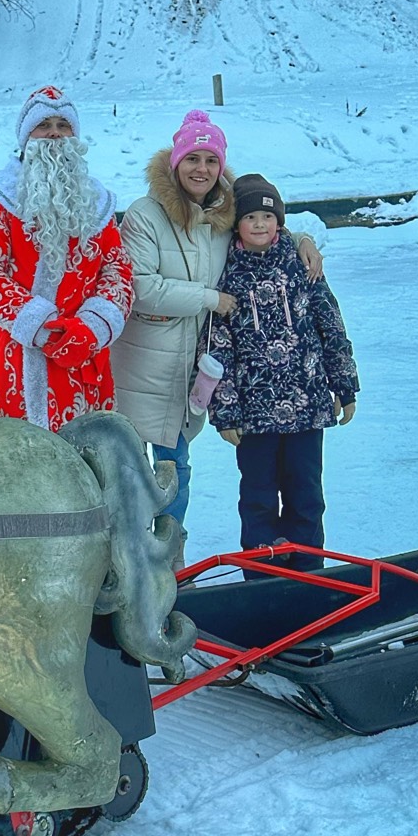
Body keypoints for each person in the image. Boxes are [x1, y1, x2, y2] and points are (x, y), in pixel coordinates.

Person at [111, 115, 325, 545]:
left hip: (194, 366)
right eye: (192, 158)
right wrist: (212, 299)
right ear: (175, 163)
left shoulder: (222, 215)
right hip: (146, 365)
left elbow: (260, 231)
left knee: (177, 467)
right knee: (133, 471)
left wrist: (300, 238)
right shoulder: (144, 216)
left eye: (211, 160)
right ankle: (130, 560)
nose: (201, 169)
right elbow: (140, 287)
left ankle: (170, 559)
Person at [0, 86, 132, 430]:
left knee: (93, 461)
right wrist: (40, 326)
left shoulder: (97, 202)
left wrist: (92, 327)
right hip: (21, 356)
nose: (54, 133)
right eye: (44, 125)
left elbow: (117, 269)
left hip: (86, 355)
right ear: (26, 136)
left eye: (63, 125)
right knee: (27, 465)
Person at [207, 174, 358, 553]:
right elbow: (217, 346)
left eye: (268, 217)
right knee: (257, 499)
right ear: (237, 224)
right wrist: (225, 411)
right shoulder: (227, 275)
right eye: (251, 217)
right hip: (255, 417)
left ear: (281, 223)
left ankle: (309, 575)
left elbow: (330, 326)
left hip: (307, 408)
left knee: (306, 497)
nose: (260, 225)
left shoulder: (302, 266)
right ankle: (263, 580)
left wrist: (344, 385)